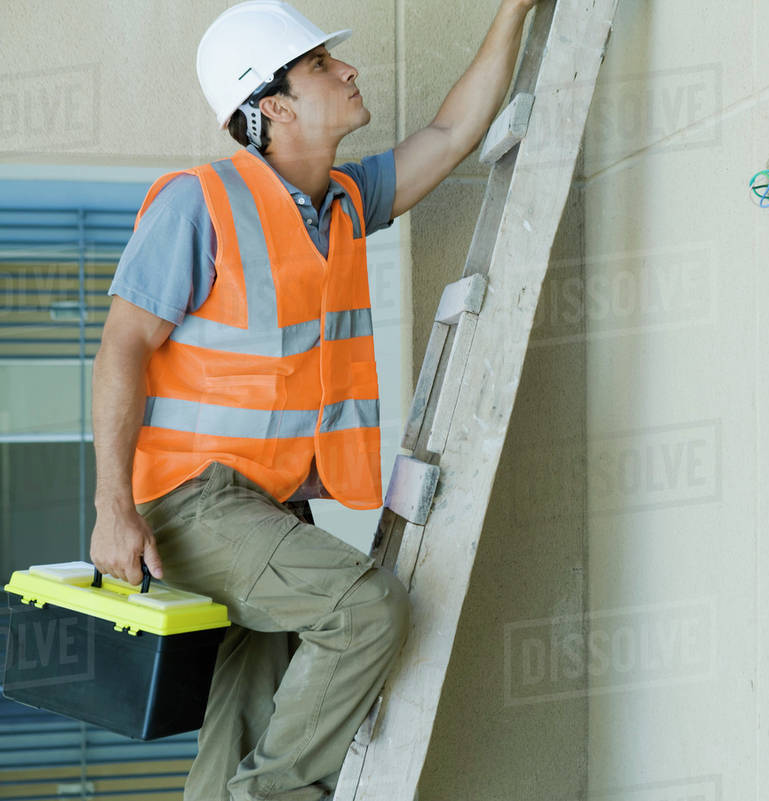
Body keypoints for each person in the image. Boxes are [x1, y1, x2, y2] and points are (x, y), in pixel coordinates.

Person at [88, 1, 536, 798]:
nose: (348, 71)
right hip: (190, 502)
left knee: (250, 703)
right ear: (275, 107)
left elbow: (450, 134)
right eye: (322, 65)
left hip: (268, 506)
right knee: (365, 608)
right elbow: (121, 347)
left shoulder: (343, 204)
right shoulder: (200, 203)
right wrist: (111, 506)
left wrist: (515, 10)